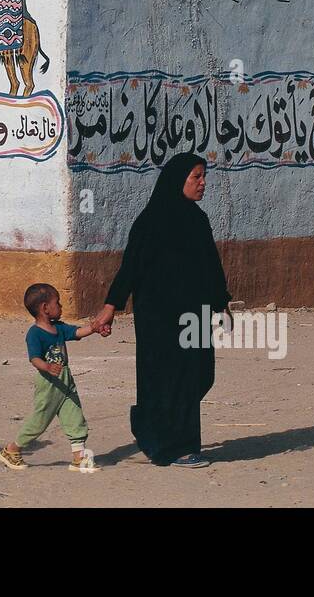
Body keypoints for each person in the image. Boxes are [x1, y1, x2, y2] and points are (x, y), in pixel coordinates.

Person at [92, 152, 232, 468]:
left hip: (195, 312)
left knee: (200, 374)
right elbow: (130, 267)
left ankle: (150, 423)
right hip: (159, 316)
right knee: (170, 378)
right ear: (177, 180)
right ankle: (179, 447)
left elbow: (211, 265)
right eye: (196, 177)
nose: (202, 183)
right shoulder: (150, 221)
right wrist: (110, 307)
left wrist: (221, 304)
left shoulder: (198, 219)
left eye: (203, 176)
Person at [0, 282, 102, 472]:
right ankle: (11, 450)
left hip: (66, 381)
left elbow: (78, 332)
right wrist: (47, 367)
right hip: (49, 383)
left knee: (75, 415)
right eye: (58, 303)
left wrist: (94, 327)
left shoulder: (59, 328)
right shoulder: (34, 334)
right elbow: (34, 359)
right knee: (40, 420)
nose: (61, 306)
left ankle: (79, 458)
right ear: (45, 308)